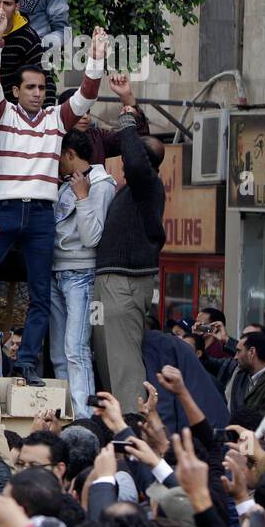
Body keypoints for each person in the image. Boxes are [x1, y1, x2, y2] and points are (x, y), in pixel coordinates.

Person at [0, 25, 107, 387]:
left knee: (40, 296)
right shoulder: (1, 112)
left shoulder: (55, 119)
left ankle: (28, 363)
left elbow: (87, 94)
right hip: (3, 212)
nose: (36, 93)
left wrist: (96, 56)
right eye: (29, 87)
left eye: (41, 88)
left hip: (42, 217)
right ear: (15, 91)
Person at [91, 103, 167, 412]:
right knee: (105, 355)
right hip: (108, 284)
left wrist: (126, 123)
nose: (123, 159)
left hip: (122, 285)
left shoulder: (146, 184)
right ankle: (117, 423)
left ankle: (134, 426)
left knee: (122, 362)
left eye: (127, 152)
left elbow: (136, 162)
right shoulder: (136, 190)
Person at [49, 129, 118, 417]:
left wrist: (82, 198)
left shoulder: (101, 186)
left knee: (76, 349)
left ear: (70, 154)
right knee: (58, 351)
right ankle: (68, 416)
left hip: (82, 273)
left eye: (59, 156)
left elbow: (92, 238)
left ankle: (85, 419)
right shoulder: (64, 185)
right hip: (57, 269)